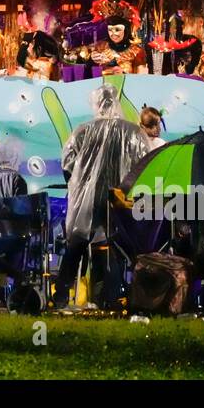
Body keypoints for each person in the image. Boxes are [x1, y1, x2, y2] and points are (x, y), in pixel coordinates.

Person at [55, 81, 152, 308]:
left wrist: (78, 188)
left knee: (76, 246)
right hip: (119, 198)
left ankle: (60, 297)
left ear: (96, 103)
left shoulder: (82, 131)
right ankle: (127, 296)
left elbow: (68, 164)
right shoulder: (134, 132)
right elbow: (144, 164)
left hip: (86, 200)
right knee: (120, 247)